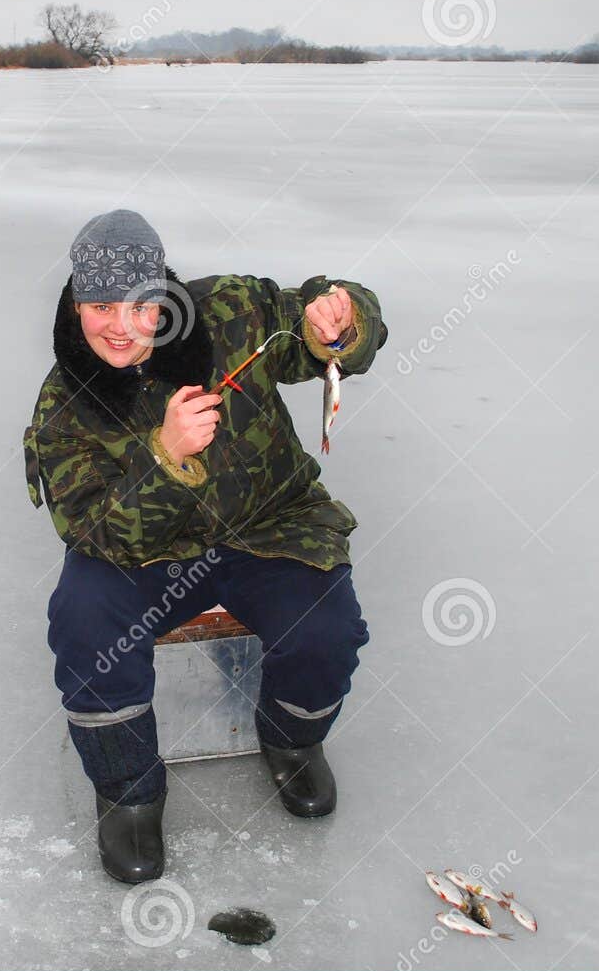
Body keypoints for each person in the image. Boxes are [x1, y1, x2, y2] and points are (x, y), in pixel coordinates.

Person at [22, 209, 389, 884]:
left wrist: (341, 322)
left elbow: (314, 320)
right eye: (100, 305)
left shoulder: (231, 310)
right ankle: (127, 791)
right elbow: (94, 532)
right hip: (144, 549)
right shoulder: (63, 405)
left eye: (138, 305)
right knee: (83, 621)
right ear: (77, 305)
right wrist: (163, 456)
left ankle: (292, 737)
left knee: (329, 630)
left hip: (266, 521)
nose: (119, 326)